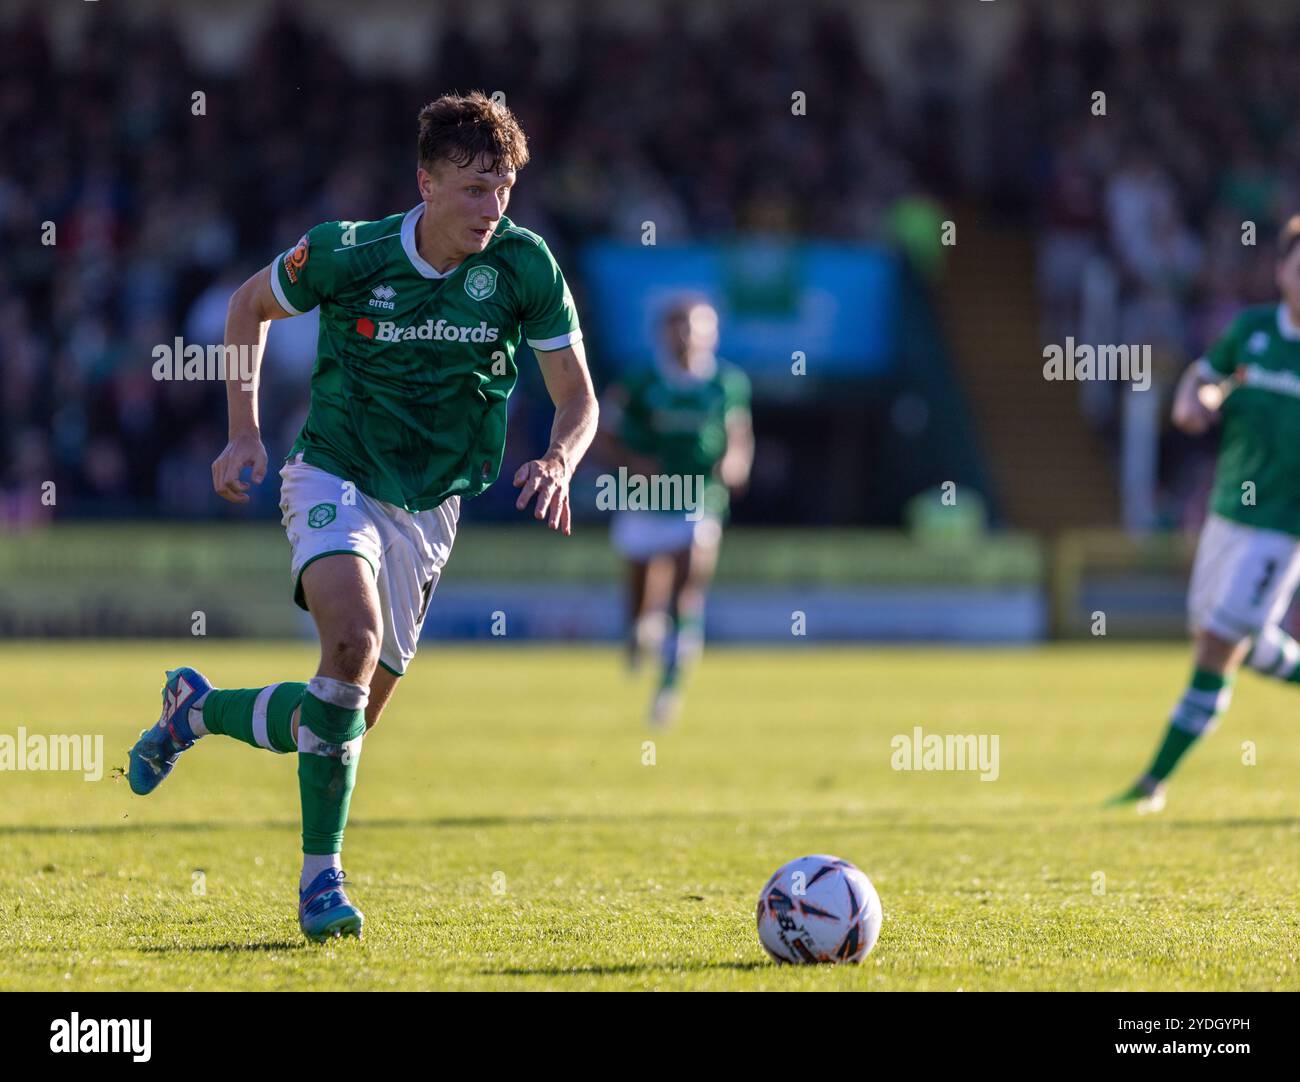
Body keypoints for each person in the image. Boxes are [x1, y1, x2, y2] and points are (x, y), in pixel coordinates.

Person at [128, 92, 599, 939]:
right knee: (351, 642)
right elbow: (247, 308)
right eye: (471, 189)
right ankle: (321, 884)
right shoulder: (350, 252)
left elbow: (579, 399)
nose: (491, 208)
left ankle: (191, 711)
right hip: (333, 472)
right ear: (425, 182)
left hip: (430, 511)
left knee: (336, 716)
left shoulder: (526, 268)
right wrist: (243, 434)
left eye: (503, 188)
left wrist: (560, 460)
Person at [1112, 216, 1300, 812]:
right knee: (1230, 635)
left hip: (1283, 526)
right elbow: (1203, 377)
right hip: (1226, 514)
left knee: (1219, 642)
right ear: (1281, 270)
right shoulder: (1251, 331)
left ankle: (1151, 784)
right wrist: (1194, 401)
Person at [596, 296, 753, 726]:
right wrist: (634, 464)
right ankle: (638, 634)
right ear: (664, 333)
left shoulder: (727, 383)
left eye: (697, 325)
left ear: (713, 333)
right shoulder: (640, 380)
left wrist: (735, 463)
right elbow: (602, 435)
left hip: (698, 499)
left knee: (686, 590)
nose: (688, 334)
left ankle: (668, 688)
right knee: (642, 601)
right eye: (679, 325)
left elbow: (738, 436)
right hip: (644, 502)